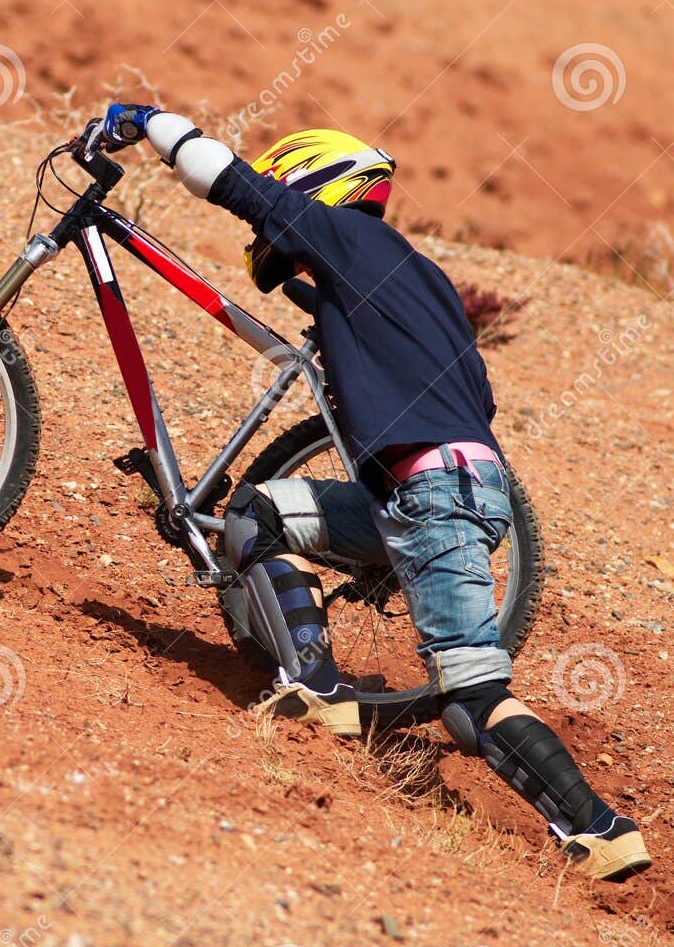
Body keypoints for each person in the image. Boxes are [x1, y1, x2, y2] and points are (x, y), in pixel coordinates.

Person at [97, 101, 652, 885]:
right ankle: (315, 682)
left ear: (315, 189)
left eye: (287, 209)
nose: (271, 236)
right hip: (444, 489)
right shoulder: (407, 276)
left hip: (433, 495)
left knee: (469, 698)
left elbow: (231, 184)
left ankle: (598, 829)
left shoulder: (348, 236)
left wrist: (152, 123)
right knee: (255, 513)